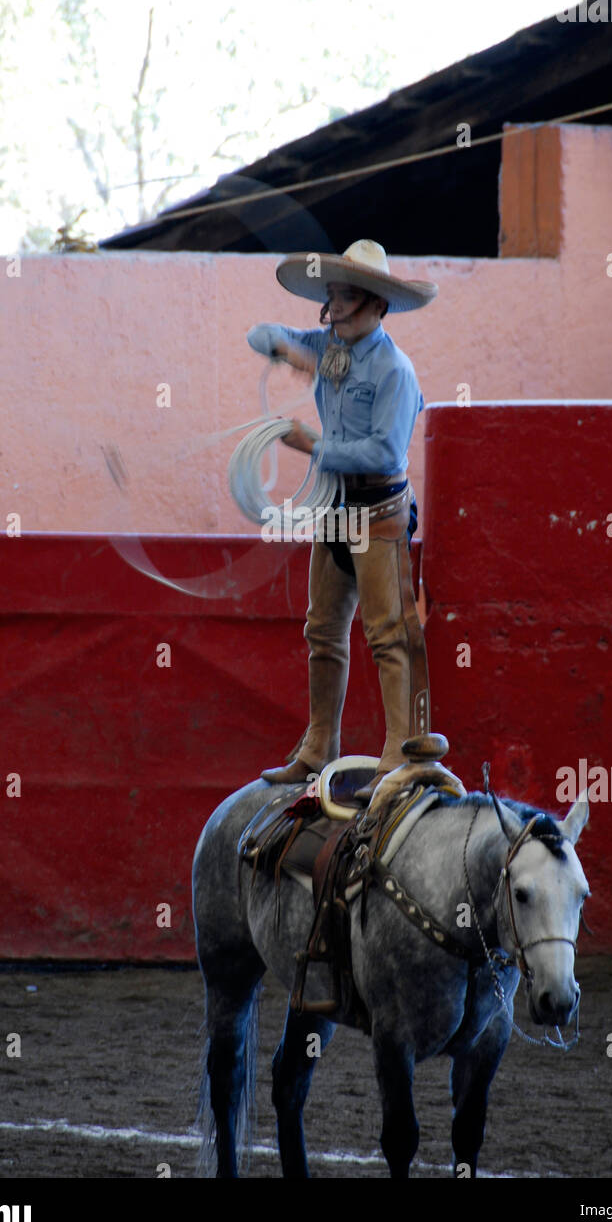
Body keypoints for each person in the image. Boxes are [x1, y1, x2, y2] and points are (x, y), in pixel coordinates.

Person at [247, 239, 437, 804]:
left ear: (377, 306)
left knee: (387, 635)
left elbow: (384, 451)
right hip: (335, 508)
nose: (334, 310)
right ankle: (317, 746)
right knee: (322, 631)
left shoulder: (395, 371)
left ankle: (399, 753)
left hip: (377, 512)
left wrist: (315, 446)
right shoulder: (329, 344)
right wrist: (285, 347)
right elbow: (262, 335)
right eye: (331, 298)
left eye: (347, 298)